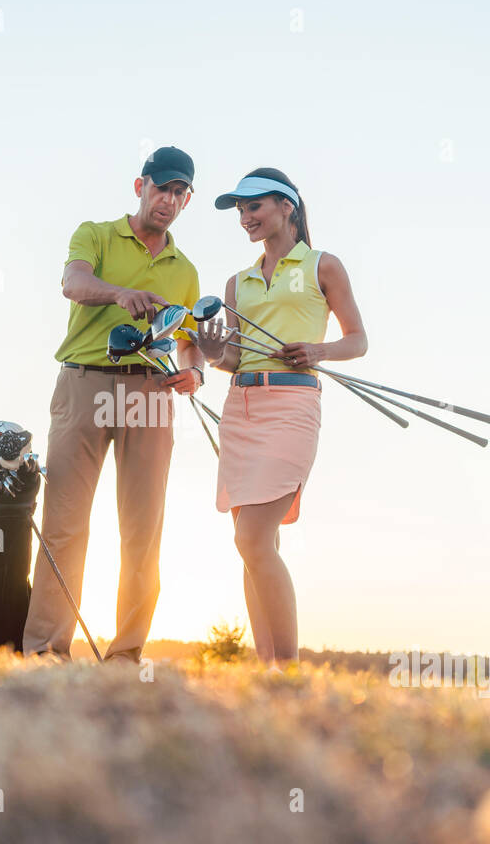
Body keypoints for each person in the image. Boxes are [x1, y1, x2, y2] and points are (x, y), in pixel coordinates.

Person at [23, 147, 205, 663]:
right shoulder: (96, 235)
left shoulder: (185, 270)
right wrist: (121, 294)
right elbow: (73, 283)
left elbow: (189, 339)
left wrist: (195, 372)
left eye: (179, 193)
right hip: (85, 384)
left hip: (151, 393)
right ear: (140, 186)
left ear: (186, 200)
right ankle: (45, 651)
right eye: (161, 188)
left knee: (143, 528)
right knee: (65, 521)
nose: (168, 201)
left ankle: (125, 654)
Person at [194, 167, 367, 665]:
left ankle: (288, 670)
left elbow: (358, 339)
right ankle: (267, 668)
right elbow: (235, 358)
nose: (245, 217)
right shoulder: (237, 281)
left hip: (292, 407)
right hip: (242, 409)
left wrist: (318, 349)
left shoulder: (322, 266)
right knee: (250, 542)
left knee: (253, 539)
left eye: (254, 207)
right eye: (240, 211)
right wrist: (210, 351)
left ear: (286, 207)